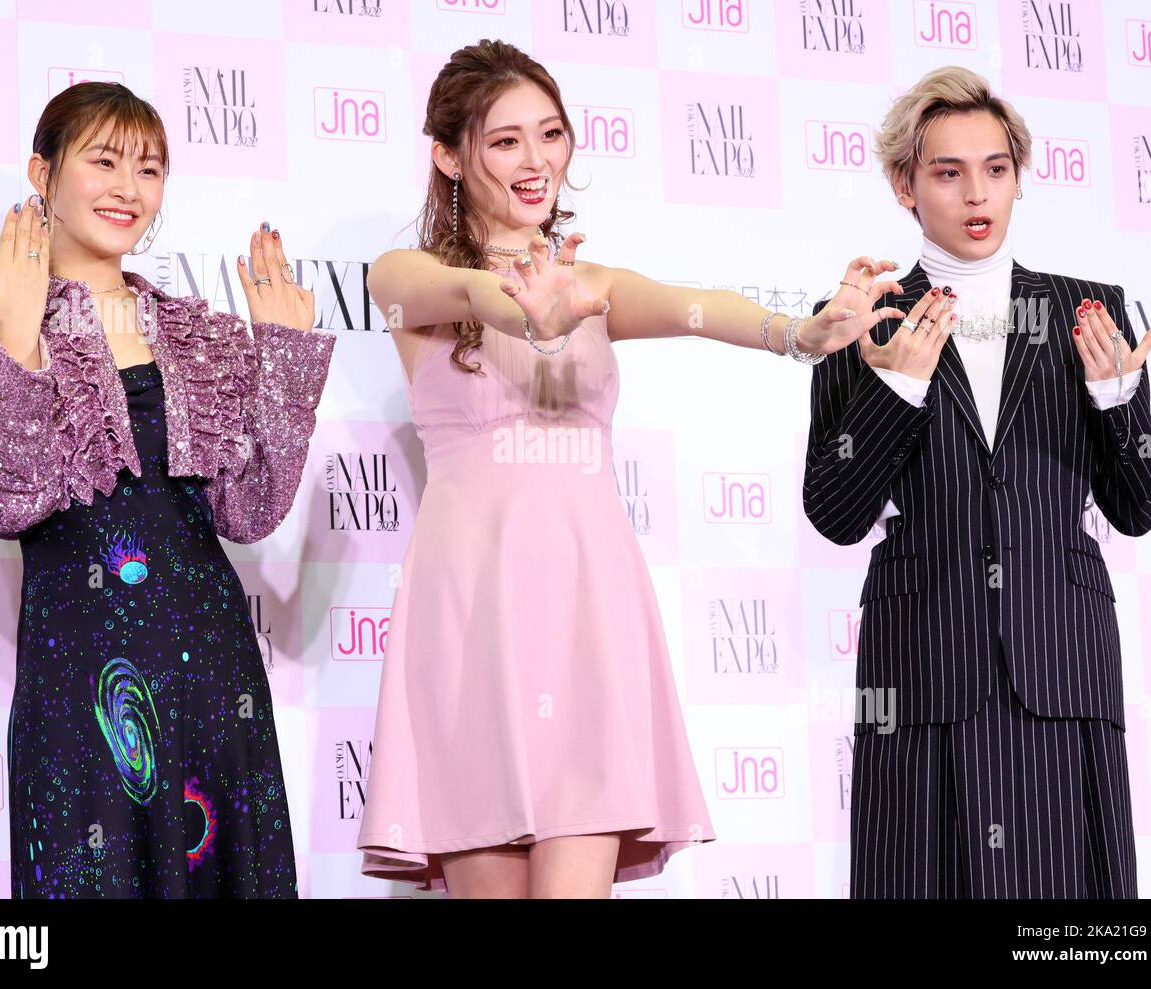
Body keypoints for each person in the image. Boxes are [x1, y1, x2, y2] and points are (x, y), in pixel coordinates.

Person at [357, 38, 908, 898]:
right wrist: (520, 306)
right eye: (505, 141)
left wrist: (801, 334)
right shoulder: (408, 278)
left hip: (585, 608)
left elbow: (696, 309)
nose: (536, 161)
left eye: (551, 134)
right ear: (448, 154)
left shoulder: (595, 285)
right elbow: (451, 292)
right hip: (467, 614)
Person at [0, 82, 335, 898]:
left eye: (148, 168)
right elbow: (8, 498)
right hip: (79, 680)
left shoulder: (197, 335)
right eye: (104, 161)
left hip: (212, 677)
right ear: (42, 172)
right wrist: (17, 340)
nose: (128, 188)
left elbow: (249, 513)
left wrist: (282, 362)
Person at [803, 66, 1151, 898]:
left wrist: (1117, 401)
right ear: (904, 184)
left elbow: (1142, 507)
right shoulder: (862, 315)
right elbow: (832, 510)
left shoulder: (1090, 309)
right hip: (923, 669)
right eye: (948, 171)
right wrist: (894, 388)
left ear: (1017, 177)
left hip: (1061, 668)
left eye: (996, 169)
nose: (978, 193)